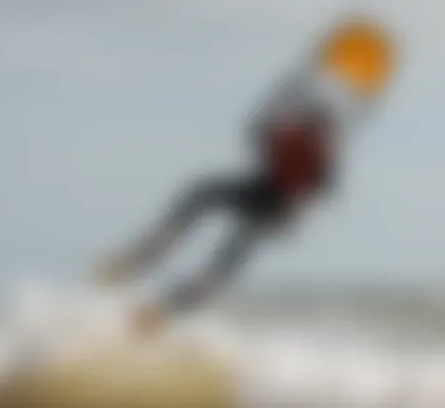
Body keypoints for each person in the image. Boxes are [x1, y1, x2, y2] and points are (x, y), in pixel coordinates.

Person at [95, 17, 398, 333]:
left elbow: (325, 177)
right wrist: (305, 77)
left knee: (229, 250)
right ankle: (143, 260)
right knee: (200, 194)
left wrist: (304, 189)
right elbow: (259, 127)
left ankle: (164, 310)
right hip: (264, 188)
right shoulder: (289, 125)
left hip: (282, 206)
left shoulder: (323, 144)